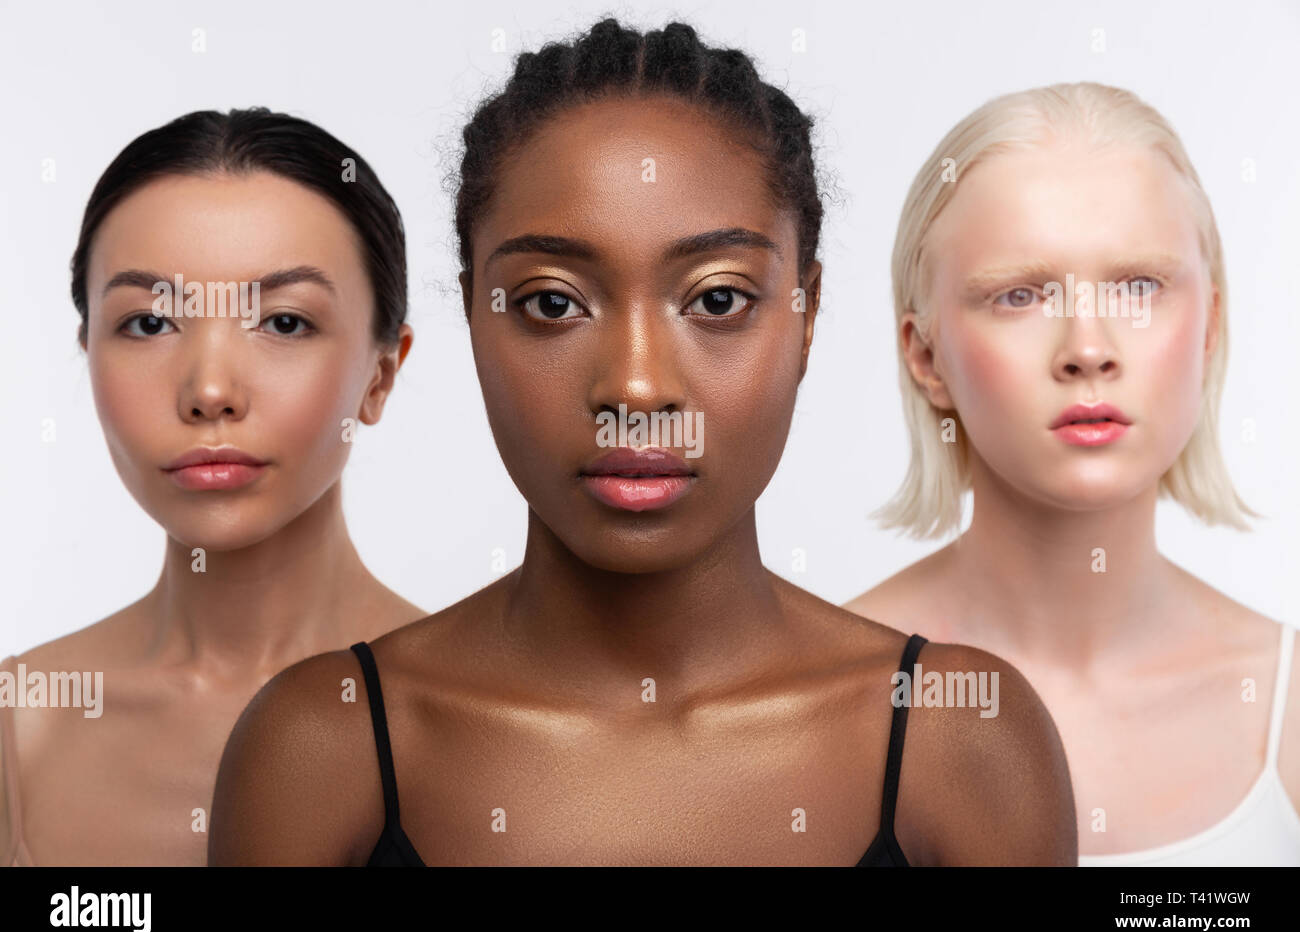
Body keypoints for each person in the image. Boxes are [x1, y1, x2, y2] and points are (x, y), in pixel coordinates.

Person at [211, 19, 1075, 866]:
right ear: (474, 310)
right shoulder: (322, 746)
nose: (635, 386)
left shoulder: (961, 737)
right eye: (553, 302)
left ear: (806, 316)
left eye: (717, 299)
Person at [845, 82, 1300, 864]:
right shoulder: (823, 701)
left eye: (1138, 286)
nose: (1088, 348)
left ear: (1211, 326)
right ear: (926, 357)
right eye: (1019, 294)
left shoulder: (1287, 710)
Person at [0, 108, 424, 865]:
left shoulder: (497, 712)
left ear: (380, 374)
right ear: (87, 349)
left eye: (285, 322)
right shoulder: (20, 724)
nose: (210, 390)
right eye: (149, 323)